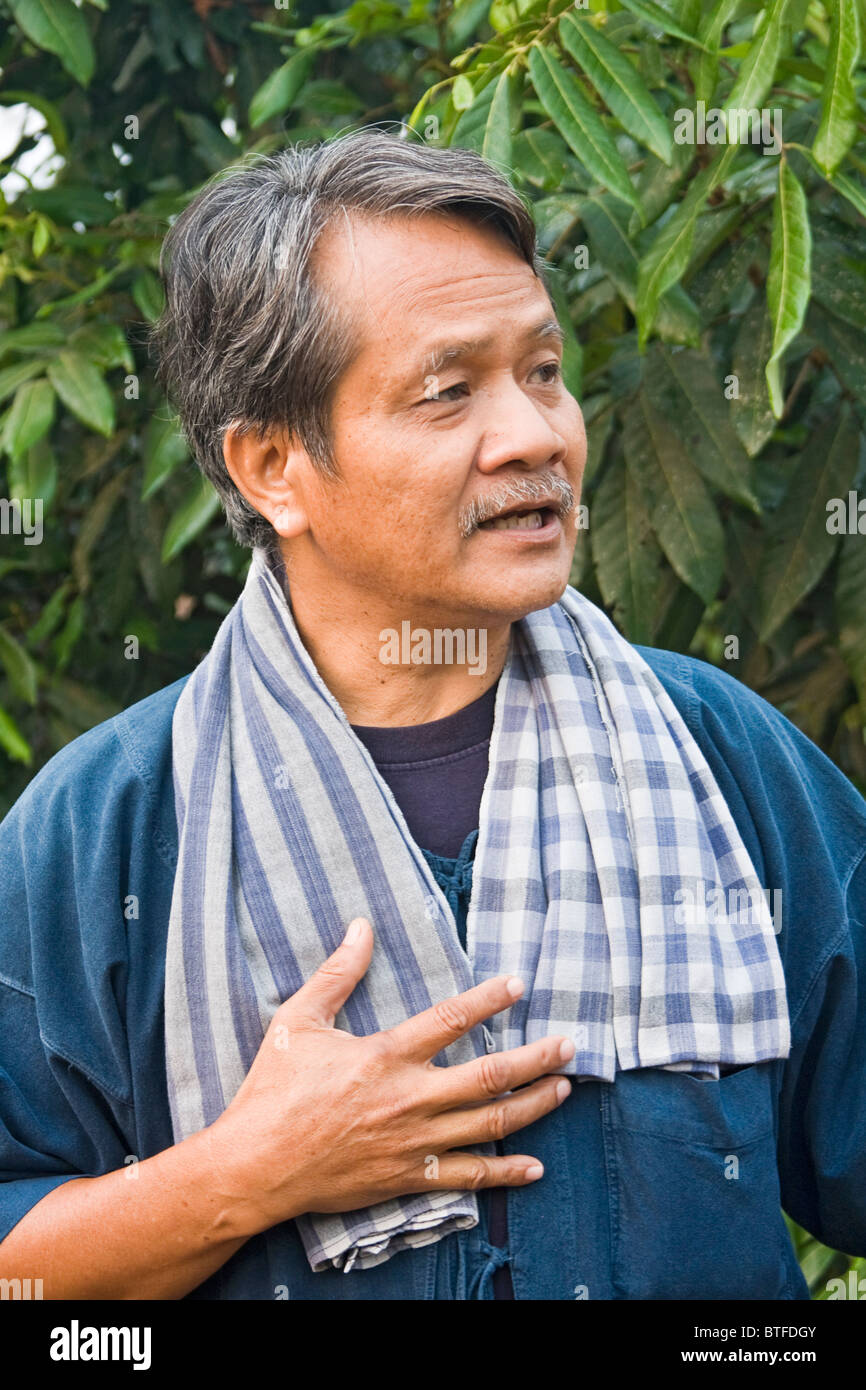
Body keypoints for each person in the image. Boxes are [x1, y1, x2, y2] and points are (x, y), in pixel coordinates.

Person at [0, 128, 864, 1301]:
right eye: (447, 391)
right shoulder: (108, 825)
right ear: (271, 468)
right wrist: (245, 1174)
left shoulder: (716, 752)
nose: (535, 438)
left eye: (543, 371)